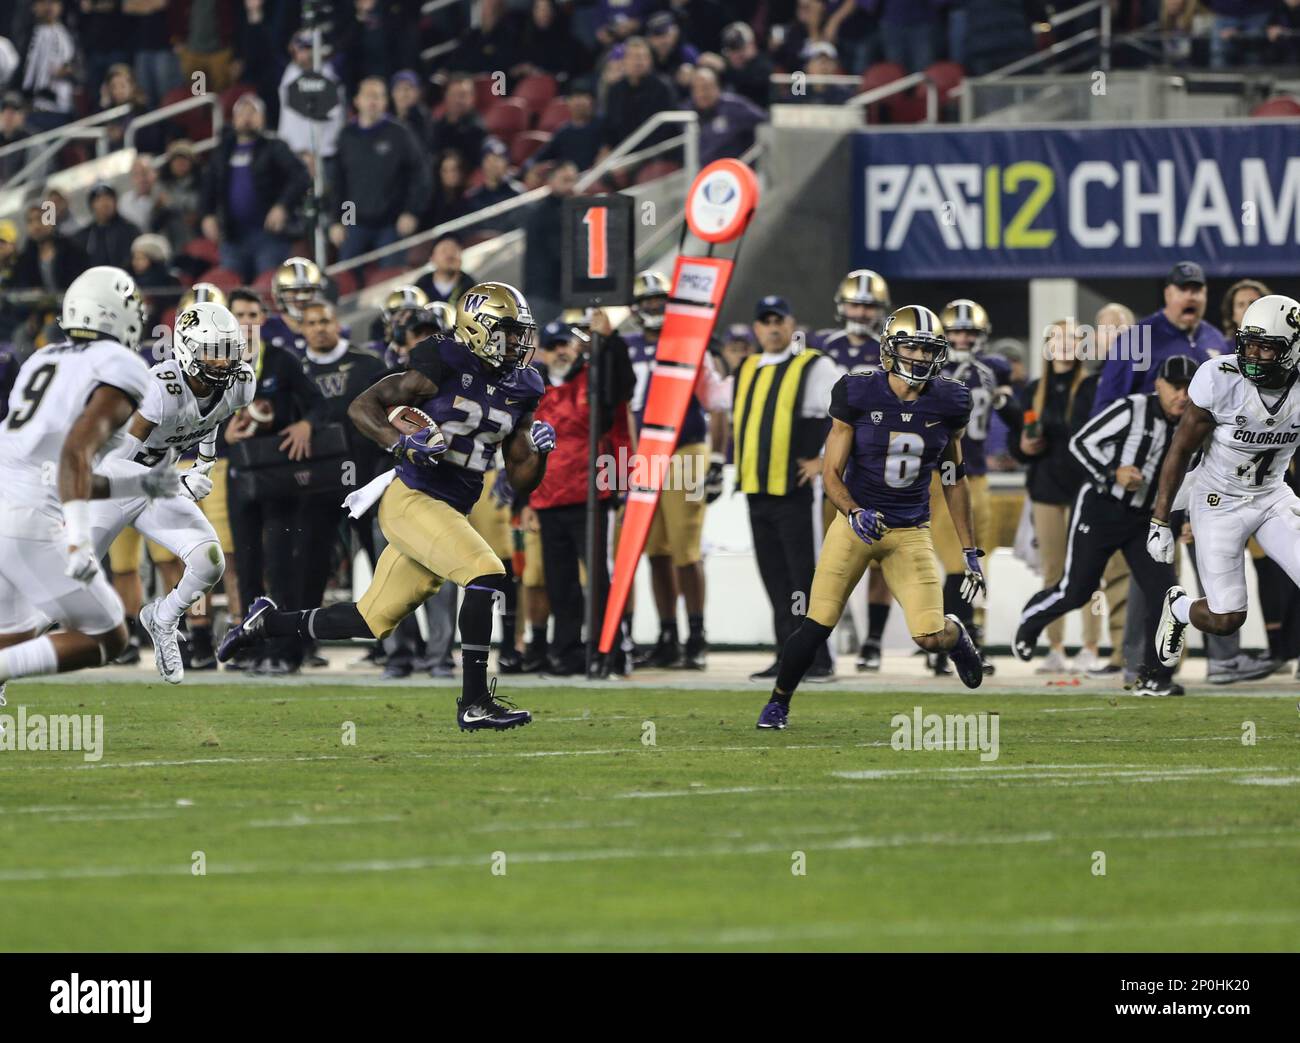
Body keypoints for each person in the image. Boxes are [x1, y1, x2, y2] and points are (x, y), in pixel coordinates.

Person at [219, 282, 555, 732]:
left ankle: (264, 624)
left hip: (449, 510)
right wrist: (402, 446)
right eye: (510, 332)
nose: (518, 342)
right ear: (479, 328)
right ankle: (474, 701)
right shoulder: (442, 359)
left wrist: (539, 452)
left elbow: (519, 479)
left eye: (521, 333)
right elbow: (363, 407)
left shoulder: (525, 385)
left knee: (369, 618)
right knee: (486, 574)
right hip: (412, 497)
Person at [755, 305, 985, 730]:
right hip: (855, 524)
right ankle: (778, 702)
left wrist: (970, 549)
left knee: (930, 637)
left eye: (926, 349)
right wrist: (853, 510)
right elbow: (830, 471)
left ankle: (956, 634)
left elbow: (954, 477)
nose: (918, 357)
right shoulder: (857, 392)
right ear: (890, 348)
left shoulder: (952, 400)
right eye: (911, 347)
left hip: (910, 530)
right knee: (816, 624)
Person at [0, 266, 177, 701]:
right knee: (108, 635)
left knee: (16, 635)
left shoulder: (42, 357)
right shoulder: (122, 364)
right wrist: (79, 540)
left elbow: (66, 472)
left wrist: (142, 486)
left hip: (9, 499)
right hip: (29, 520)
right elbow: (74, 455)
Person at [87, 302, 253, 685]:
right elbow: (116, 464)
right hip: (109, 483)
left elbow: (212, 416)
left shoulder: (240, 382)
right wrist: (178, 482)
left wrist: (204, 462)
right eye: (213, 351)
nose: (224, 361)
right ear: (186, 348)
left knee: (209, 561)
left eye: (229, 350)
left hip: (156, 482)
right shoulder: (161, 388)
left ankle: (162, 618)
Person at [1014, 356, 1199, 696]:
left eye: (1190, 388)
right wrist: (1113, 471)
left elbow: (1195, 478)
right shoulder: (1133, 408)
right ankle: (1031, 622)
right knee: (1077, 591)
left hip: (1147, 519)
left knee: (1166, 596)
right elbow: (1081, 443)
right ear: (1158, 385)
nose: (1183, 396)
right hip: (1102, 508)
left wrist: (1187, 519)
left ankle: (1155, 677)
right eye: (1176, 387)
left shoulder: (1197, 423)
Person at [1150, 295, 1300, 677]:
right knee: (1226, 619)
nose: (1253, 355)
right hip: (1218, 500)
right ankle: (1181, 608)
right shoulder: (1221, 378)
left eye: (1266, 347)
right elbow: (1181, 448)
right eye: (1248, 343)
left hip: (1271, 497)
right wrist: (1160, 520)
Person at [621, 270, 729, 670]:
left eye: (658, 299)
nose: (653, 306)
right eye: (646, 300)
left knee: (685, 549)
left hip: (684, 448)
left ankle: (696, 636)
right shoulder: (626, 348)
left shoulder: (689, 344)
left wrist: (716, 460)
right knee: (655, 552)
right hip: (643, 455)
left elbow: (718, 404)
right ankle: (668, 636)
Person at [733, 295, 839, 682]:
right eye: (766, 321)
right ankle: (786, 654)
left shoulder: (814, 365)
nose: (773, 328)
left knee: (803, 577)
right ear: (757, 328)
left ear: (792, 324)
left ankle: (819, 657)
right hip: (756, 490)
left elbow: (847, 413)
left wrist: (823, 460)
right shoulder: (746, 368)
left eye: (780, 320)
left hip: (792, 492)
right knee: (775, 578)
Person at [222, 288, 326, 674]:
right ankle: (253, 648)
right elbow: (199, 421)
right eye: (240, 315)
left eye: (253, 314)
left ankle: (286, 652)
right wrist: (224, 437)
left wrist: (304, 425)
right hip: (239, 476)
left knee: (283, 565)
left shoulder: (282, 361)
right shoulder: (218, 361)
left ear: (263, 320)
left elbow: (319, 403)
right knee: (248, 565)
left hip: (279, 476)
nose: (247, 322)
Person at [528, 308, 635, 675]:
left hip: (591, 498)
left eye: (566, 344)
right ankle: (568, 652)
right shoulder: (532, 389)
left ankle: (609, 648)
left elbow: (622, 395)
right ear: (542, 351)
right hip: (547, 498)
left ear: (578, 346)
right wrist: (522, 497)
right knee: (560, 584)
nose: (560, 351)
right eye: (553, 345)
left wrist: (610, 340)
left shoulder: (596, 381)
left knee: (600, 579)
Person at [928, 298, 1019, 676]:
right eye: (956, 332)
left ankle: (969, 640)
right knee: (955, 563)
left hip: (977, 475)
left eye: (970, 332)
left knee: (974, 564)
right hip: (940, 477)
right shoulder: (929, 368)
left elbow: (1016, 417)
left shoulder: (992, 370)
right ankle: (947, 645)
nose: (963, 338)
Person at [1011, 319, 1102, 673]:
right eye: (1057, 338)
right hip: (1047, 489)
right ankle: (1056, 646)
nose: (1064, 345)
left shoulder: (1093, 386)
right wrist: (1024, 445)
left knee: (1088, 573)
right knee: (1053, 572)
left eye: (1072, 339)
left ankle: (1092, 645)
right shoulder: (1034, 389)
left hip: (1084, 489)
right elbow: (1017, 446)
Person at [1092, 262, 1228, 415]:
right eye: (1183, 290)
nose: (1190, 297)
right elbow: (1106, 404)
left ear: (1205, 294)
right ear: (1168, 294)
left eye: (1196, 290)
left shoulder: (1216, 339)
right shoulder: (1136, 338)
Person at [200, 94, 310, 282]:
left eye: (253, 112)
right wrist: (207, 215)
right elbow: (208, 185)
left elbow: (301, 177)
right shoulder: (222, 151)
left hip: (269, 236)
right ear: (233, 120)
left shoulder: (275, 147)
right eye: (242, 113)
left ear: (263, 118)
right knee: (230, 288)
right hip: (233, 237)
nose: (247, 117)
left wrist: (282, 206)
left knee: (268, 287)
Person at [327, 76, 429, 266]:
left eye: (379, 96)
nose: (373, 101)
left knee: (390, 279)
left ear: (385, 101)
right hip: (354, 220)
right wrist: (337, 221)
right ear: (357, 100)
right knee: (344, 274)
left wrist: (411, 211)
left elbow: (420, 174)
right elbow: (339, 181)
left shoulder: (400, 133)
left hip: (392, 221)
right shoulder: (346, 135)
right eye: (368, 95)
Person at [522, 160, 578, 325]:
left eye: (573, 180)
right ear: (551, 182)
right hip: (543, 295)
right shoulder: (541, 213)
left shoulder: (571, 209)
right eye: (565, 180)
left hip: (564, 294)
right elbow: (561, 252)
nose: (571, 186)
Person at [601, 37, 676, 153]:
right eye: (634, 57)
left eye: (643, 57)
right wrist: (606, 149)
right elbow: (610, 127)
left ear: (650, 61)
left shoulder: (662, 87)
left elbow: (665, 131)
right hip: (621, 156)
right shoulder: (615, 90)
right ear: (624, 61)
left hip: (656, 154)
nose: (639, 62)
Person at [687, 65, 766, 165]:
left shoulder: (735, 107)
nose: (701, 93)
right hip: (702, 174)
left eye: (706, 88)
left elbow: (764, 120)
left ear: (717, 87)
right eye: (697, 89)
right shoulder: (687, 112)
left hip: (733, 172)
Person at [529, 79, 604, 172]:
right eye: (575, 97)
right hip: (567, 179)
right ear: (568, 102)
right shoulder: (563, 131)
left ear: (592, 101)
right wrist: (531, 169)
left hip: (592, 178)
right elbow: (538, 158)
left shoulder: (603, 126)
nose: (579, 102)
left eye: (584, 97)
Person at [11, 202, 88, 291]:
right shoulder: (25, 259)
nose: (36, 226)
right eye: (30, 221)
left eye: (40, 219)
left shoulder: (72, 250)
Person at [264, 256, 326, 357]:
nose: (301, 297)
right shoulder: (265, 329)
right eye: (294, 291)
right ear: (279, 294)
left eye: (307, 291)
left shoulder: (329, 329)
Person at [76, 183, 141, 271]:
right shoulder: (85, 236)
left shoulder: (130, 229)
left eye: (108, 198)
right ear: (92, 205)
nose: (104, 204)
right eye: (99, 200)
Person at [429, 73, 486, 171]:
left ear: (472, 98)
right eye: (453, 95)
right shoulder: (437, 125)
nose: (457, 100)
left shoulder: (477, 129)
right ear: (446, 97)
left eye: (463, 95)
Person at [415, 233, 476, 308]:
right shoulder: (421, 287)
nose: (450, 254)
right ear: (432, 258)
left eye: (454, 250)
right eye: (444, 251)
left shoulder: (472, 289)